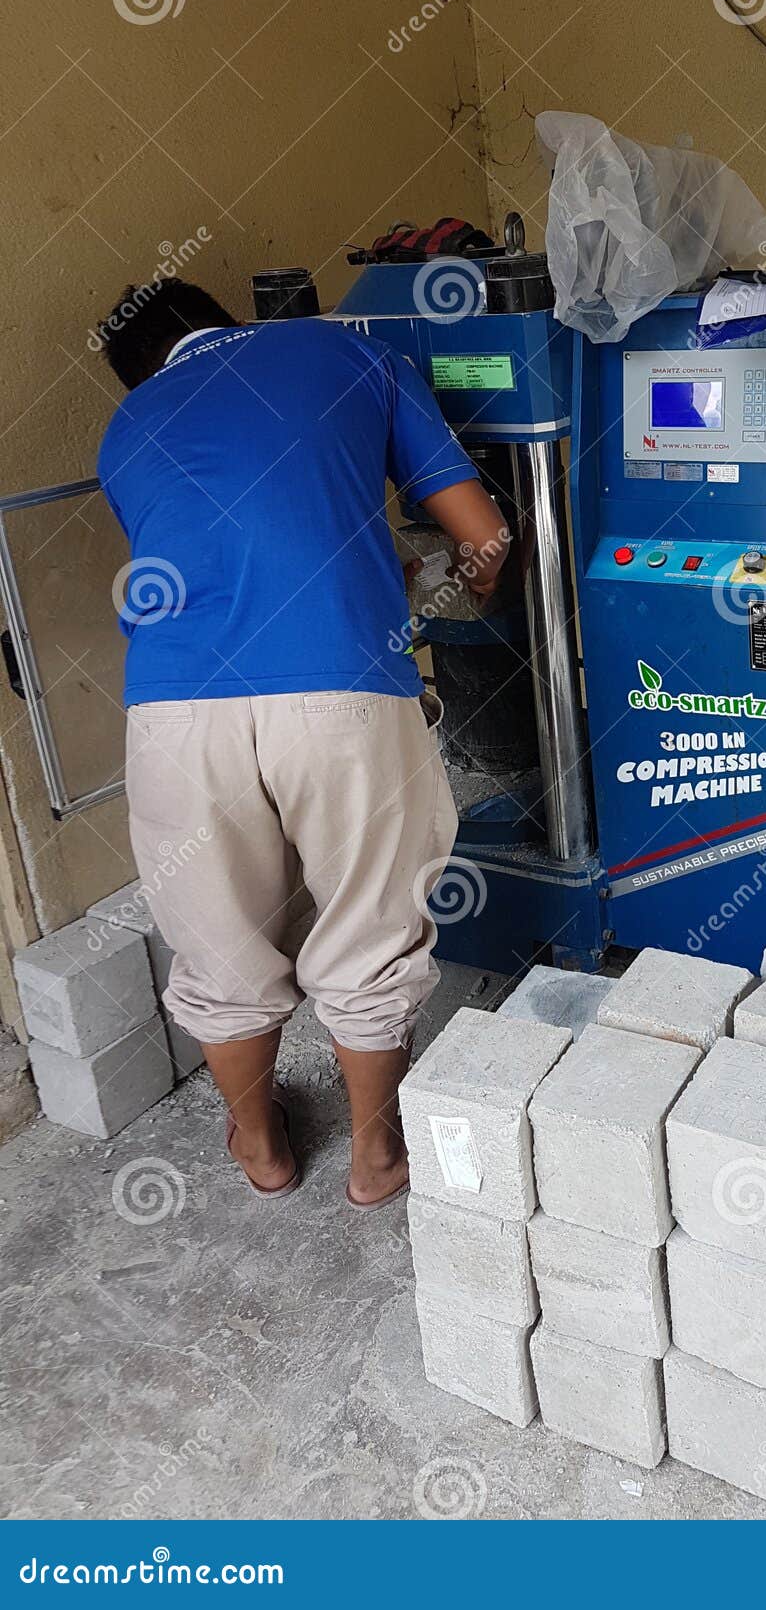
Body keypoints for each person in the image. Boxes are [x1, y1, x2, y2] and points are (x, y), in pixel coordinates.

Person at [96, 278, 509, 1207]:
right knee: (370, 926)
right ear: (229, 320)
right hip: (343, 689)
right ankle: (377, 1155)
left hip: (173, 713)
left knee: (221, 947)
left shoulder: (128, 427)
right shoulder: (355, 355)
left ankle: (261, 1144)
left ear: (142, 368)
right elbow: (482, 537)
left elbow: (218, 558)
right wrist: (472, 587)